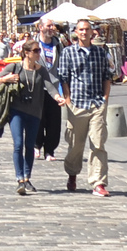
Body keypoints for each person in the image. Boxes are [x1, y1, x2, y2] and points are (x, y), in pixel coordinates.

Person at [51, 19, 115, 196]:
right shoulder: (68, 53)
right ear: (76, 32)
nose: (84, 33)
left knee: (98, 143)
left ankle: (98, 183)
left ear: (92, 32)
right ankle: (72, 173)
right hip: (77, 104)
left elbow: (107, 76)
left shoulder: (100, 53)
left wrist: (105, 98)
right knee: (75, 145)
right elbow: (63, 77)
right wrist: (68, 99)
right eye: (81, 30)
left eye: (87, 29)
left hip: (96, 104)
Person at [0, 37, 50, 193]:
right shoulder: (15, 67)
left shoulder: (41, 70)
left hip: (35, 112)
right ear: (26, 53)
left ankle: (27, 178)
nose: (39, 53)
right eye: (36, 51)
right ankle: (19, 179)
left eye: (39, 51)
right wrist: (6, 78)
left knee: (30, 146)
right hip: (17, 111)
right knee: (18, 144)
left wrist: (58, 97)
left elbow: (50, 86)